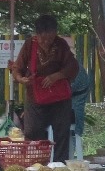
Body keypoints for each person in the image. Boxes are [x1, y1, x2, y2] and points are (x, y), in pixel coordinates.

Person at [10, 14, 79, 162]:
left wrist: (57, 76)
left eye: (50, 38)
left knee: (61, 132)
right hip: (35, 96)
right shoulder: (30, 44)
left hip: (59, 98)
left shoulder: (61, 44)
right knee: (32, 130)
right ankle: (38, 164)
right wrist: (21, 79)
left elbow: (72, 66)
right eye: (43, 39)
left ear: (55, 33)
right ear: (37, 35)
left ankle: (60, 167)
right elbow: (17, 68)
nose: (46, 42)